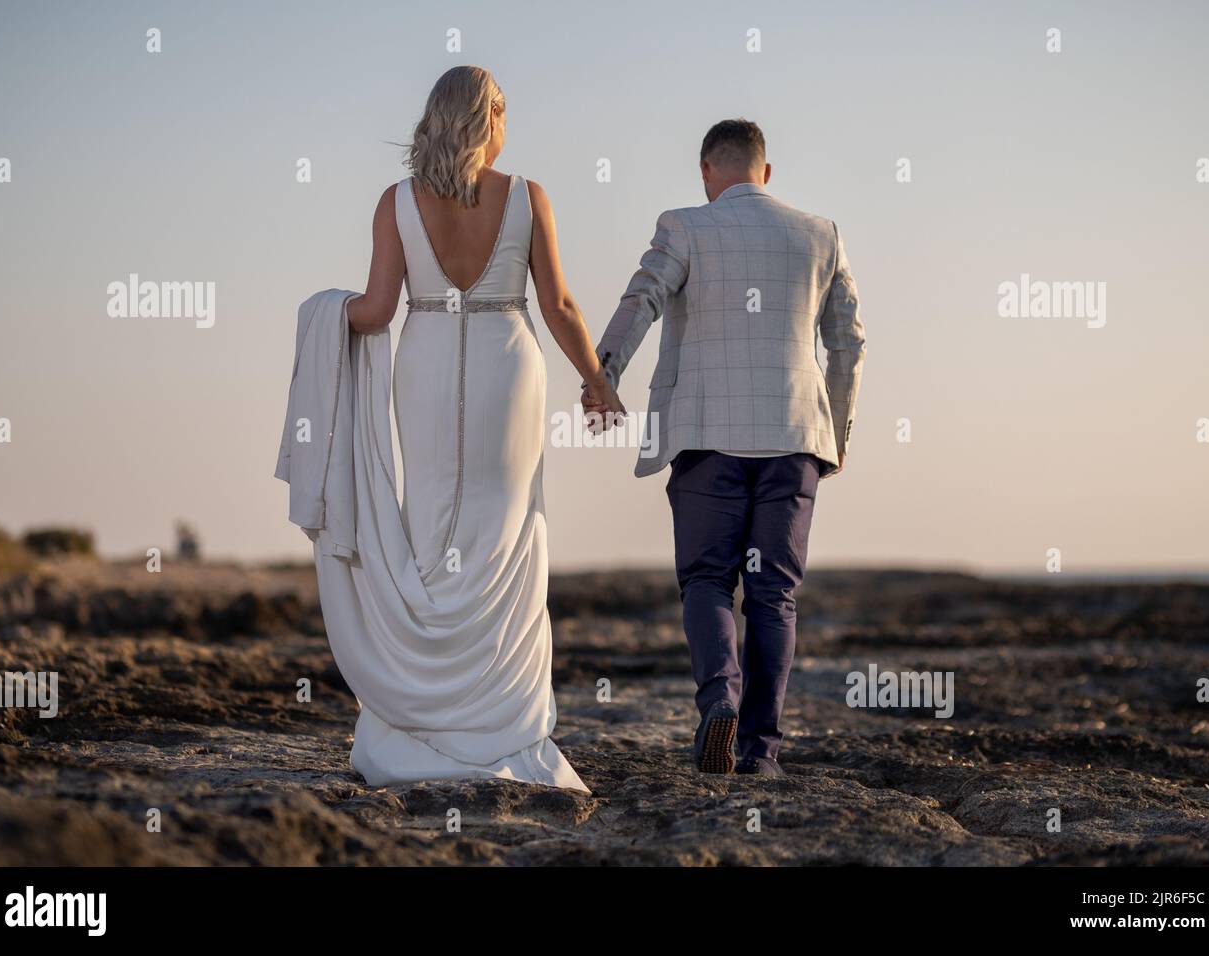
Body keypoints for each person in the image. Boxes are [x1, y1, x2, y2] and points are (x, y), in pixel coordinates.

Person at [325, 65, 622, 792]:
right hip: (506, 367)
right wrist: (598, 381)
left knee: (431, 531)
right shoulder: (526, 197)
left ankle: (418, 718)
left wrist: (320, 317)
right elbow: (558, 306)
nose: (507, 124)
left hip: (424, 363)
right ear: (485, 117)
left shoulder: (397, 202)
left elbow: (374, 310)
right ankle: (498, 723)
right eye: (504, 111)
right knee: (506, 530)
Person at [583, 119, 866, 776]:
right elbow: (849, 344)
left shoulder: (684, 226)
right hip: (794, 440)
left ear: (708, 172)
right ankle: (760, 753)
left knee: (708, 580)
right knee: (774, 595)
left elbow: (643, 297)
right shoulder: (820, 233)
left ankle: (720, 701)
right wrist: (837, 433)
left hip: (707, 438)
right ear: (766, 172)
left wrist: (604, 374)